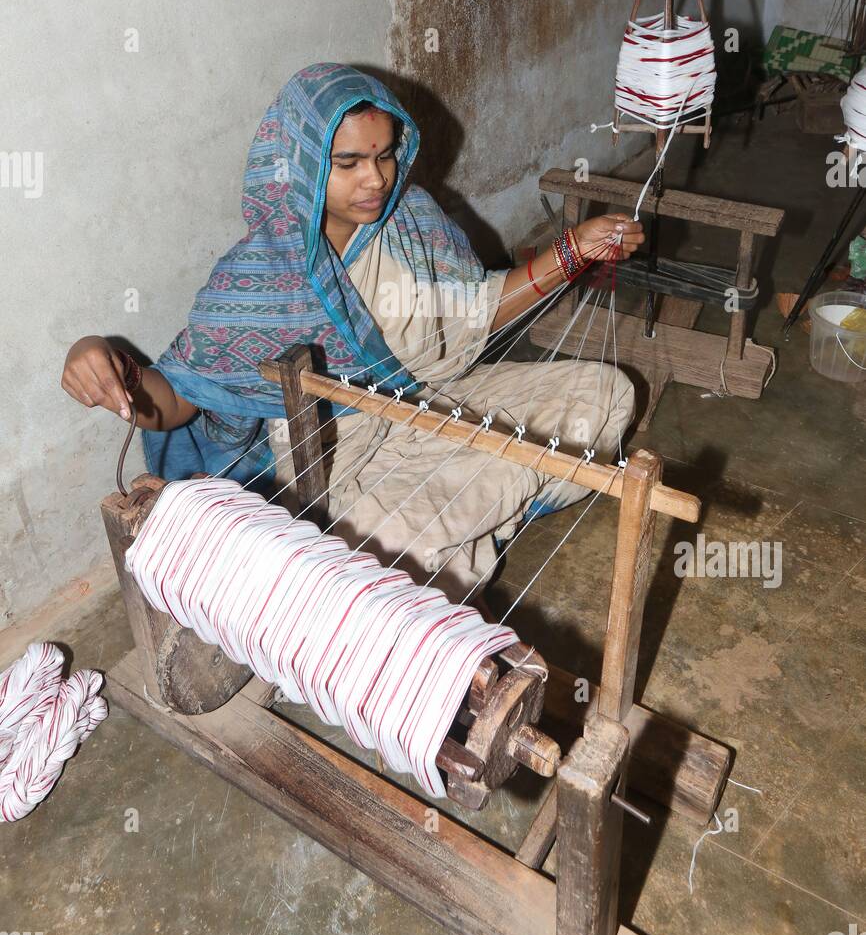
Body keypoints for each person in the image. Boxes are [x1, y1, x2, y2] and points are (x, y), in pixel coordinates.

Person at [62, 63, 643, 602]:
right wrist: (107, 364)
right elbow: (181, 400)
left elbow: (480, 308)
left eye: (386, 156)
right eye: (348, 164)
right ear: (302, 160)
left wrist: (573, 252)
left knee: (605, 396)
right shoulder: (259, 278)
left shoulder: (410, 219)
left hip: (434, 404)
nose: (376, 180)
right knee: (409, 545)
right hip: (339, 463)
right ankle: (434, 533)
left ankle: (445, 532)